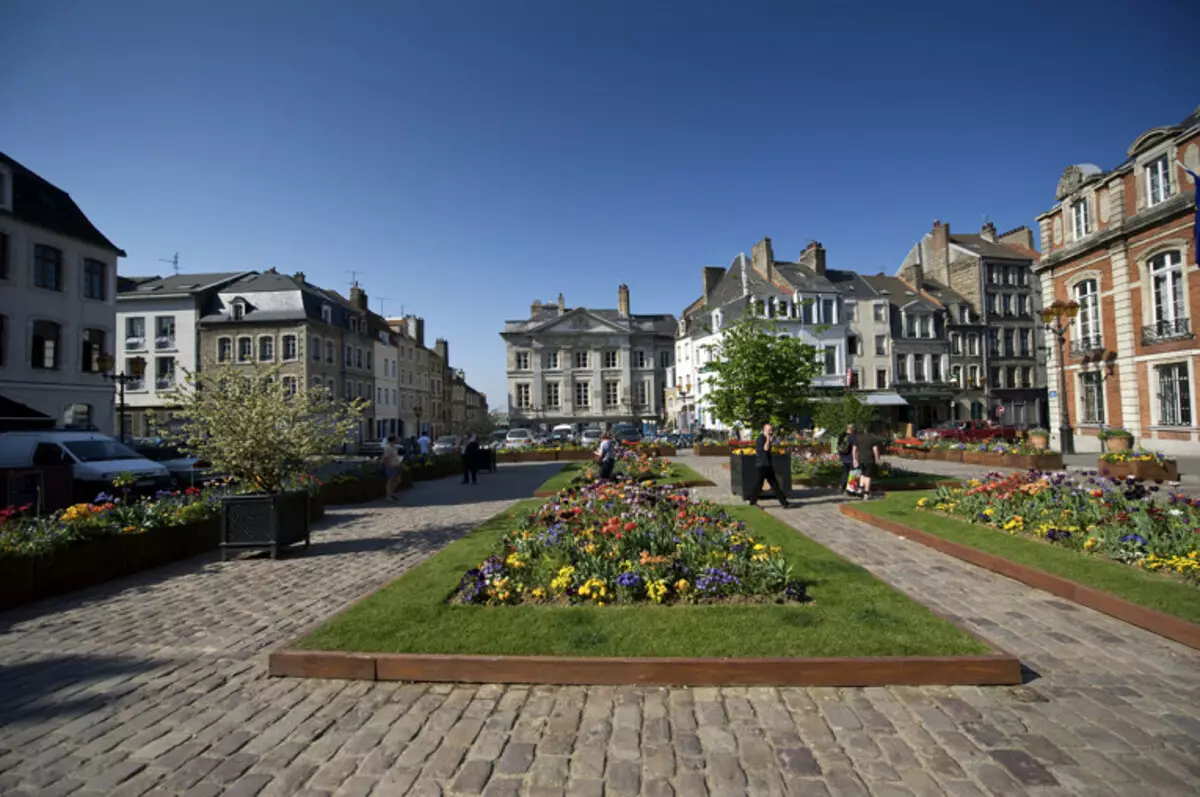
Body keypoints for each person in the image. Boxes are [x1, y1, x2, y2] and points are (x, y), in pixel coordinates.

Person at [749, 422, 790, 509]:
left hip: (767, 465)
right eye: (769, 430)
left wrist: (770, 440)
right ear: (764, 430)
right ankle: (752, 502)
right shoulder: (760, 438)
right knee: (759, 484)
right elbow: (766, 448)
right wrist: (768, 439)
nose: (771, 431)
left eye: (771, 430)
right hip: (761, 465)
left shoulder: (768, 438)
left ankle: (784, 503)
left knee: (774, 484)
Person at [851, 427, 881, 500]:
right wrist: (877, 458)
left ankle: (860, 489)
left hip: (860, 459)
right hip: (869, 459)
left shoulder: (857, 438)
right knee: (868, 476)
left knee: (862, 474)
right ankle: (866, 493)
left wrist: (854, 459)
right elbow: (875, 449)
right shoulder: (872, 438)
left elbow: (854, 449)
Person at [836, 423, 858, 495]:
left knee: (845, 472)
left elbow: (839, 445)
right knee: (853, 473)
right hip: (851, 457)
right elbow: (855, 448)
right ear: (853, 429)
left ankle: (841, 487)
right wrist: (855, 458)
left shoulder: (841, 435)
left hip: (843, 457)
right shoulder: (853, 437)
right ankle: (850, 490)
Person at [382, 435, 403, 502]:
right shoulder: (388, 448)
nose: (397, 440)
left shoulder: (394, 447)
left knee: (398, 480)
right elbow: (386, 458)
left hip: (397, 465)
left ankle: (391, 492)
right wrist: (387, 466)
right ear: (393, 440)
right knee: (390, 481)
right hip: (391, 466)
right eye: (395, 439)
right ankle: (388, 496)